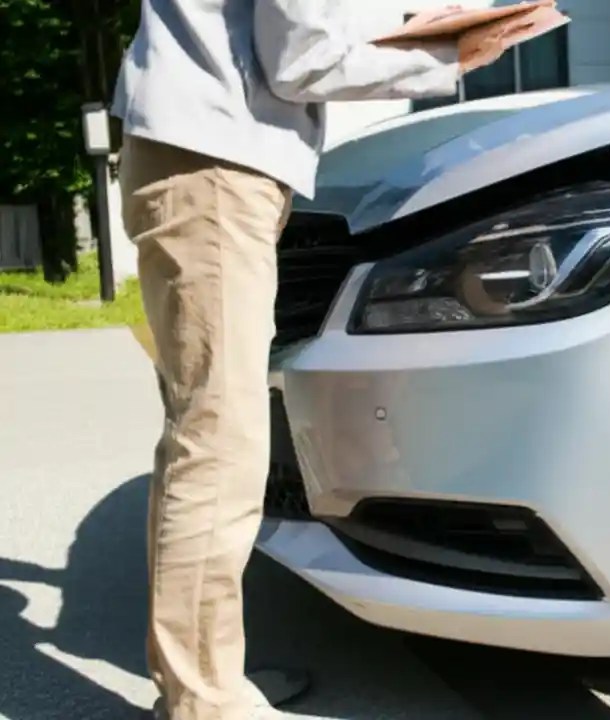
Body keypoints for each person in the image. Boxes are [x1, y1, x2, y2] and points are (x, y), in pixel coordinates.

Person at [110, 2, 506, 718]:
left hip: (195, 153)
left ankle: (202, 682)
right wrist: (450, 54)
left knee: (200, 434)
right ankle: (203, 702)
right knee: (218, 441)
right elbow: (302, 60)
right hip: (216, 164)